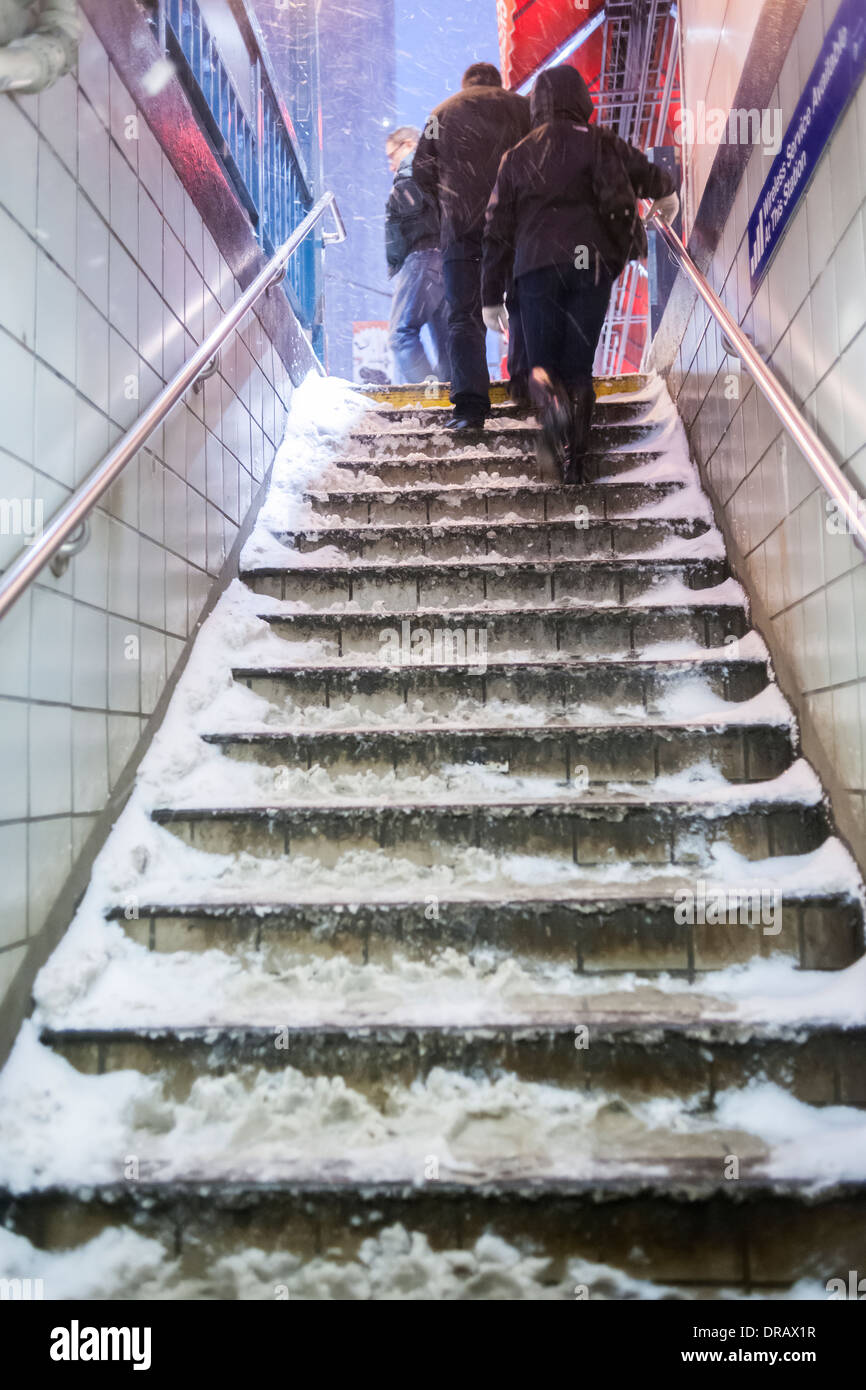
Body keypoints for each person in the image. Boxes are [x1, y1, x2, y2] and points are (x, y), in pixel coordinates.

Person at [482, 65, 679, 481]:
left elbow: (496, 231)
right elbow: (648, 176)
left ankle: (549, 405)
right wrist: (668, 195)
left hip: (535, 269)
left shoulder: (517, 156)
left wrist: (489, 295)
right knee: (578, 368)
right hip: (589, 264)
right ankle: (579, 462)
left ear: (536, 104)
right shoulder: (599, 141)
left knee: (542, 365)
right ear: (581, 101)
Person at [414, 63, 529, 431]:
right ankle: (526, 389)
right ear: (497, 83)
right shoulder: (524, 107)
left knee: (464, 315)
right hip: (518, 224)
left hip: (462, 228)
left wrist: (449, 204)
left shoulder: (441, 113)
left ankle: (470, 407)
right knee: (525, 304)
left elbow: (420, 171)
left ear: (465, 84)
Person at [385, 126, 450, 386]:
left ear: (409, 145)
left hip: (423, 257)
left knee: (401, 335)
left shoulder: (412, 173)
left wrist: (397, 259)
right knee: (447, 338)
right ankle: (452, 395)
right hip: (447, 258)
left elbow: (410, 220)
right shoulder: (439, 170)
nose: (391, 165)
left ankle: (429, 396)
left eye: (391, 156)